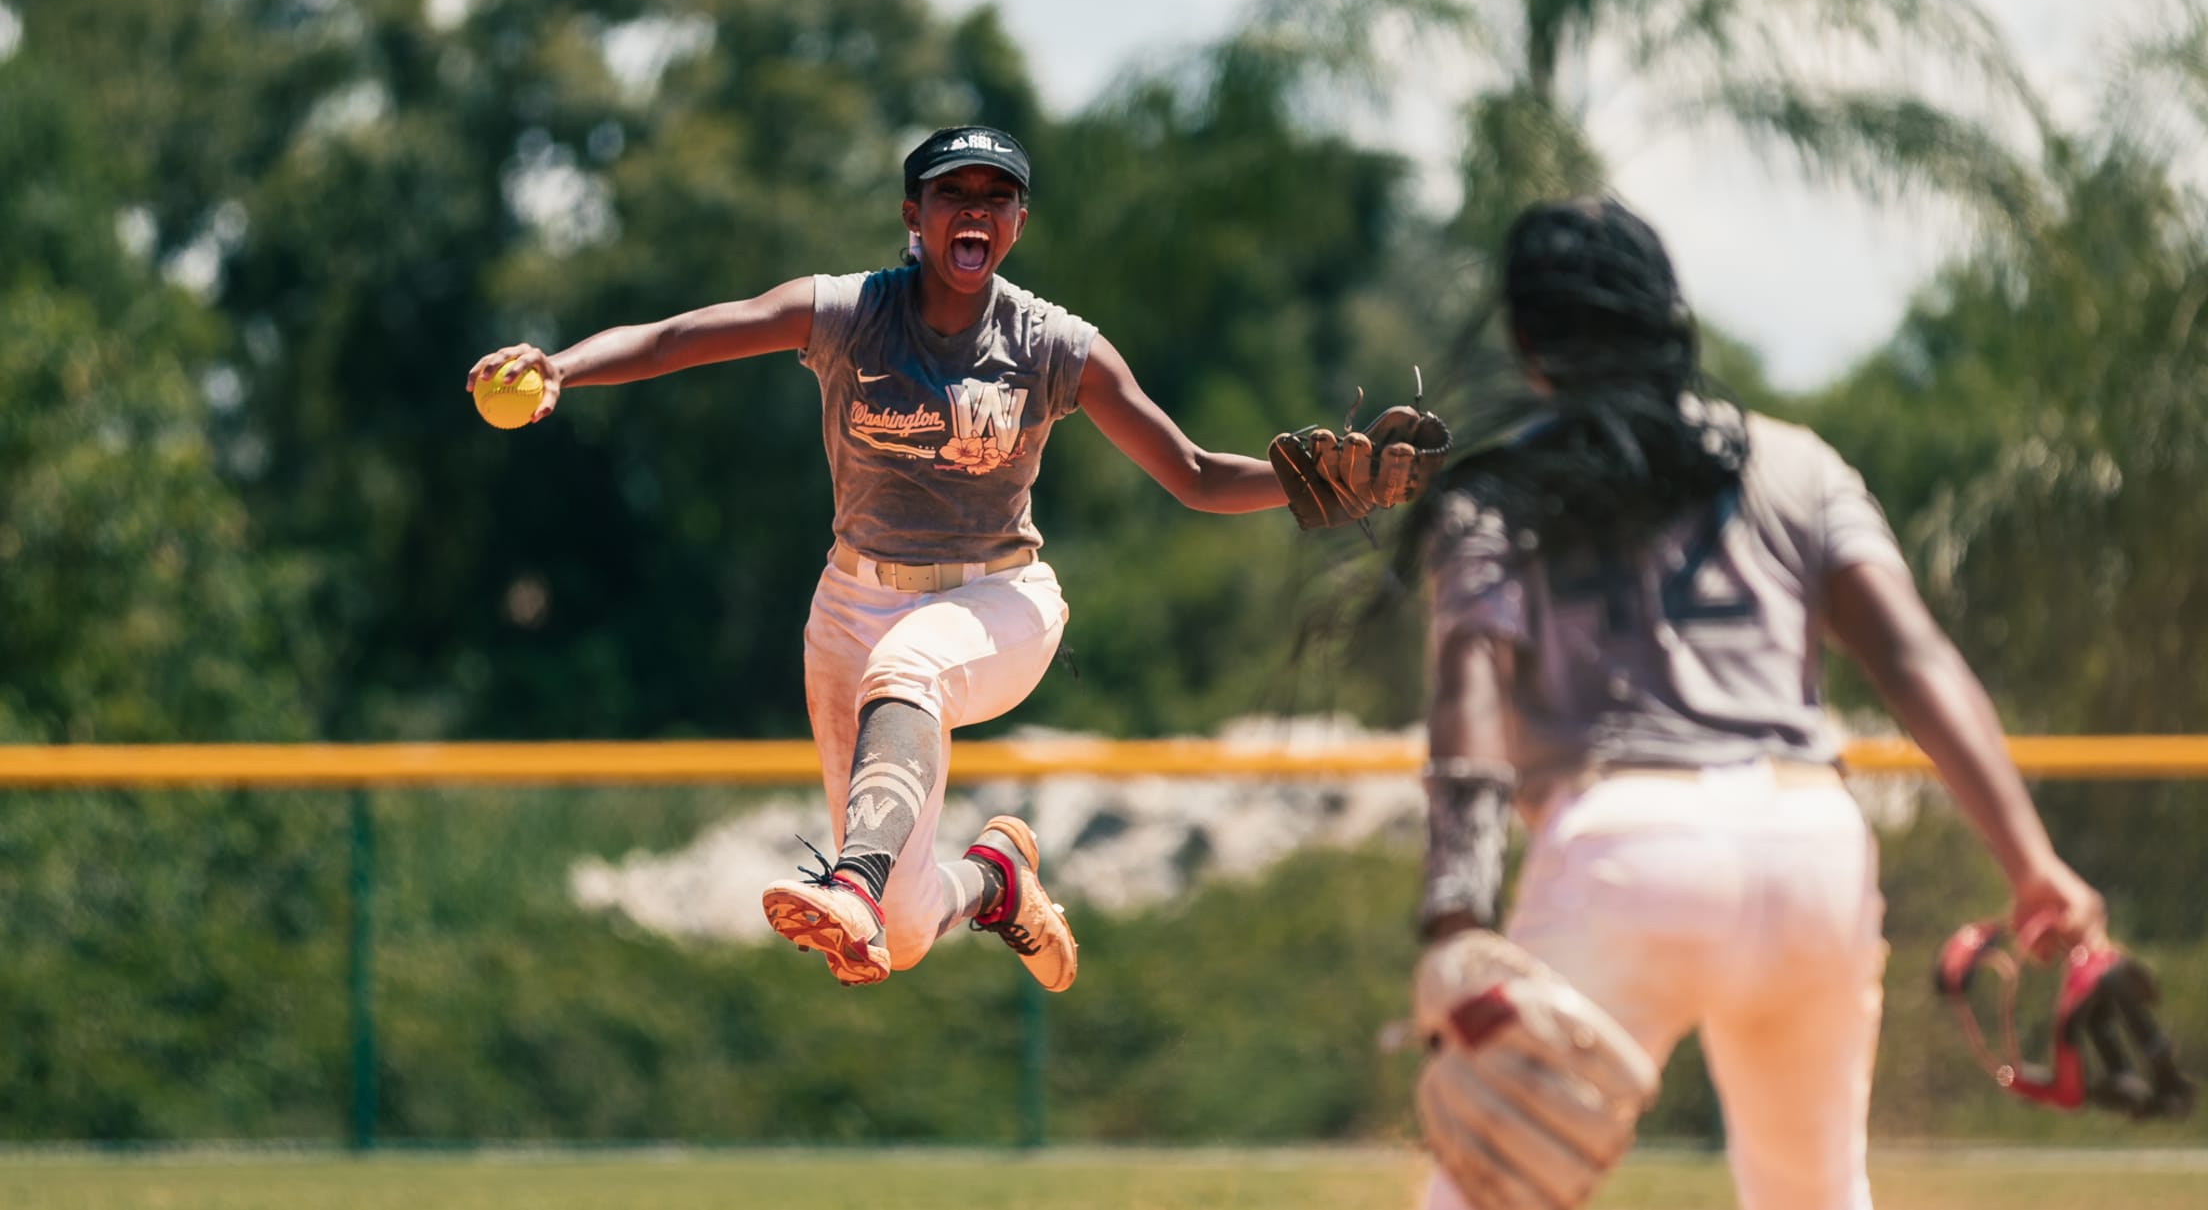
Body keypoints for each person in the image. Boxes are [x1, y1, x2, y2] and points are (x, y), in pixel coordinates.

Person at [468, 125, 1355, 993]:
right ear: (913, 214)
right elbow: (681, 337)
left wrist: (1325, 485)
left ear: (1018, 222)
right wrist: (560, 367)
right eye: (953, 194)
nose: (976, 210)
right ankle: (994, 880)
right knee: (904, 927)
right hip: (851, 605)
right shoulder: (850, 315)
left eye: (997, 196)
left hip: (1000, 601)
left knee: (907, 680)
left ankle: (847, 881)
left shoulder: (1053, 345)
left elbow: (1196, 474)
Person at [1405, 196, 2108, 1209]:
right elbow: (1914, 657)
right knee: (1814, 1191)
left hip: (1625, 842)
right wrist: (2030, 858)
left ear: (1526, 337)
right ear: (1669, 313)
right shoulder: (1794, 460)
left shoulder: (1500, 486)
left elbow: (1466, 687)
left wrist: (1455, 910)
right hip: (1810, 842)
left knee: (1482, 1192)